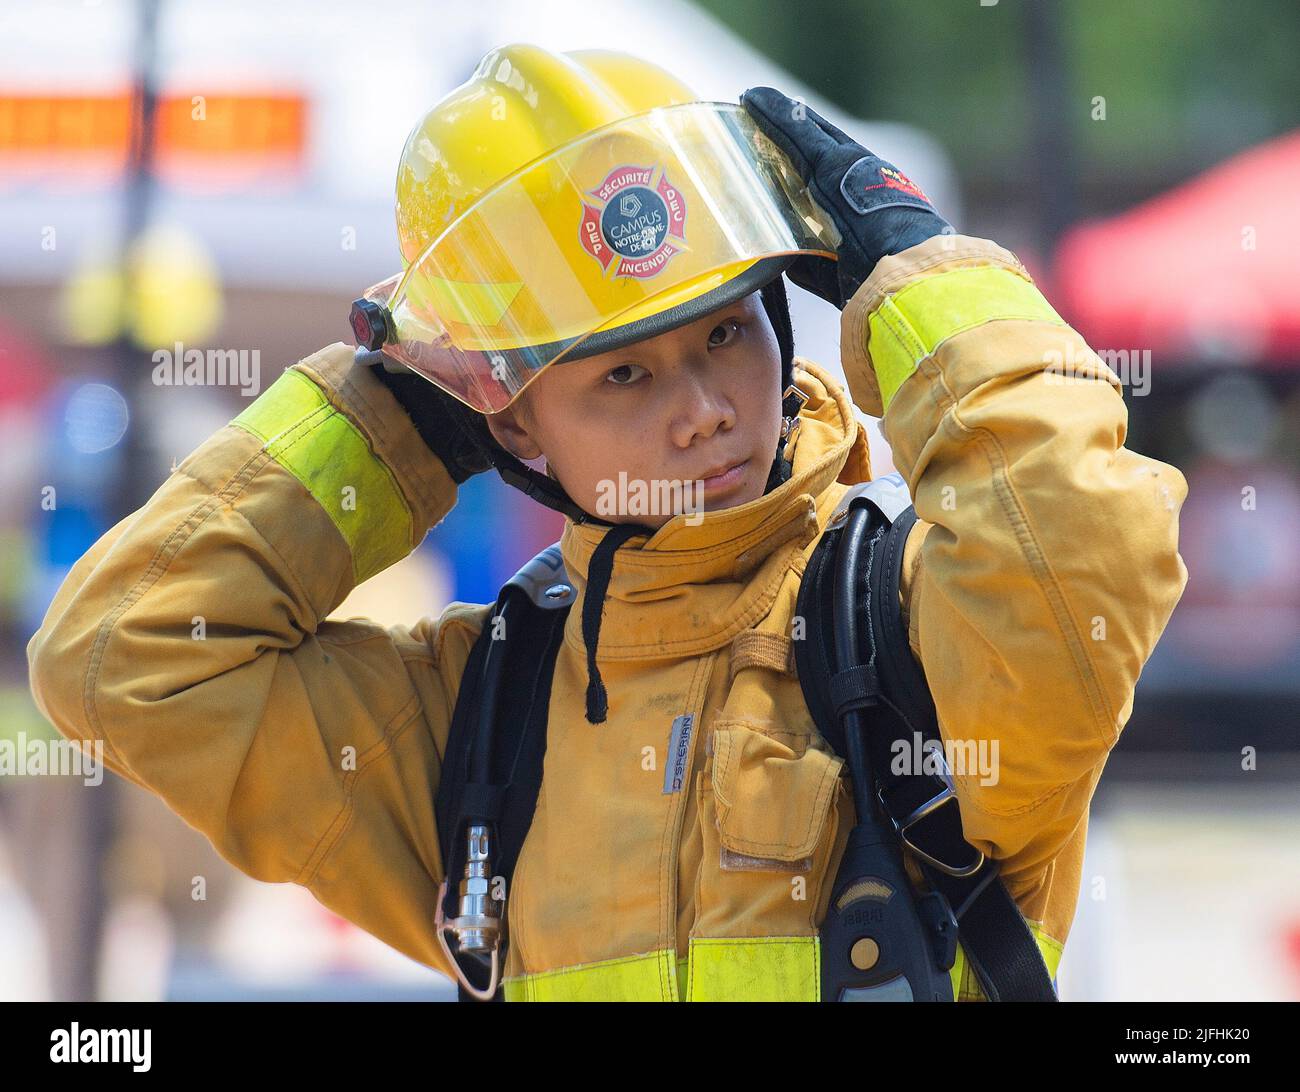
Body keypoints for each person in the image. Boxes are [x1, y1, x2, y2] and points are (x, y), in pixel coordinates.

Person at [27, 43, 1188, 1001]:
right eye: (622, 377)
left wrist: (932, 288)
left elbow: (1078, 557)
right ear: (512, 426)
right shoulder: (484, 715)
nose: (701, 414)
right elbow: (121, 656)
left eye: (726, 334)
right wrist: (386, 433)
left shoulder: (916, 624)